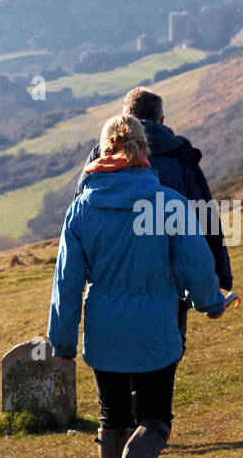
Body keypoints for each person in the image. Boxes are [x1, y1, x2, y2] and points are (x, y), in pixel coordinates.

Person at [49, 116, 227, 458]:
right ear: (145, 151)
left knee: (112, 416)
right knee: (155, 417)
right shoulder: (168, 203)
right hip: (155, 326)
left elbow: (67, 282)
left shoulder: (81, 209)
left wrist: (61, 345)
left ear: (103, 153)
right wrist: (211, 302)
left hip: (104, 326)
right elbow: (197, 265)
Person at [75, 87, 233, 347]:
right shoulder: (179, 154)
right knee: (166, 349)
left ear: (125, 119)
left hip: (108, 280)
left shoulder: (100, 155)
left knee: (116, 366)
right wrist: (218, 278)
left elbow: (80, 214)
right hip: (170, 282)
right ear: (161, 120)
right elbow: (204, 215)